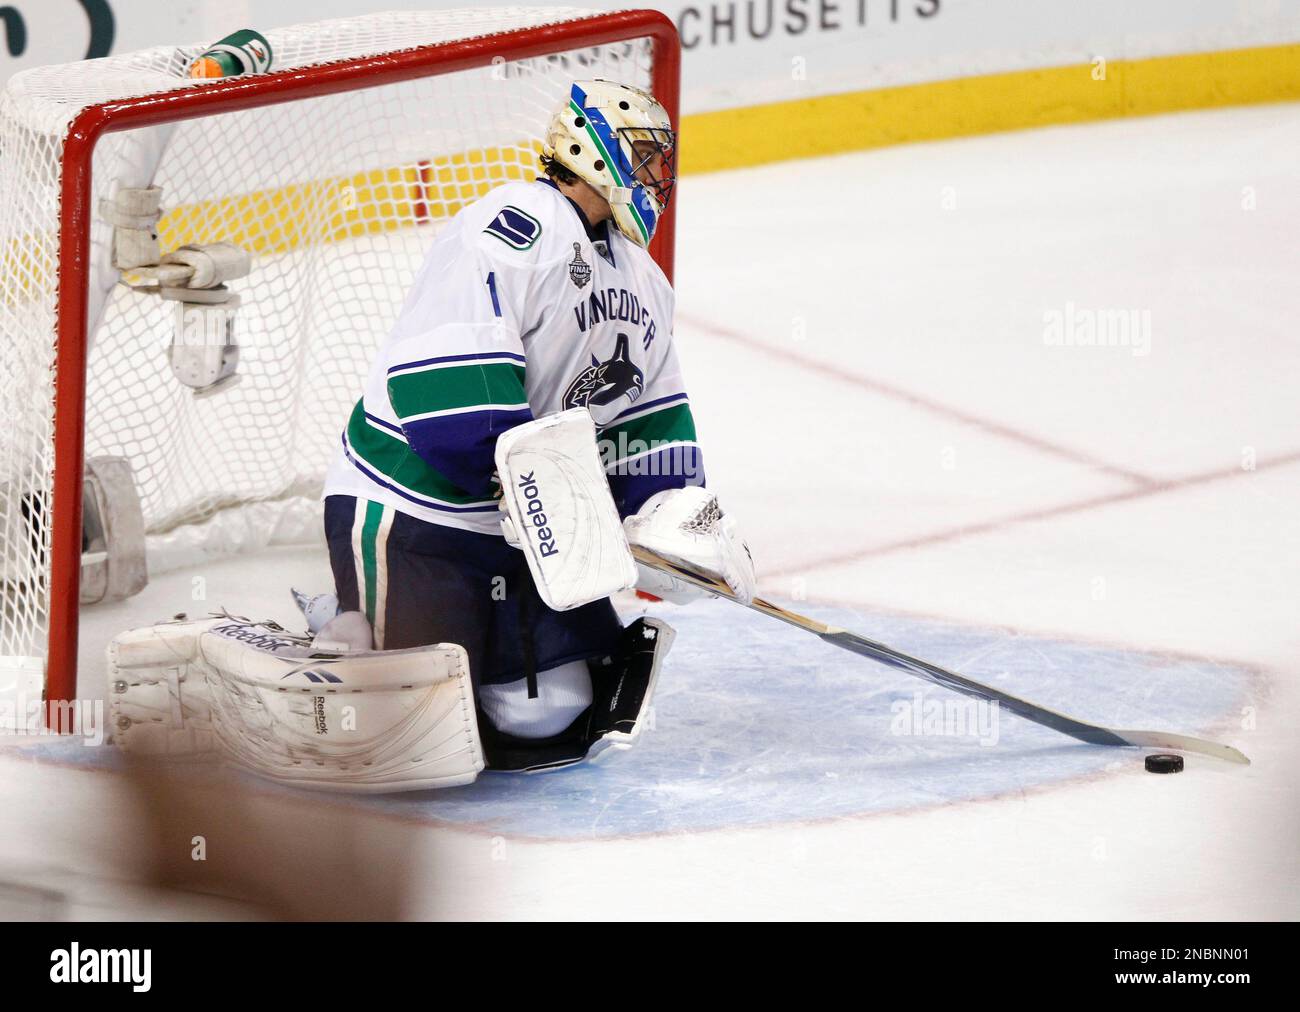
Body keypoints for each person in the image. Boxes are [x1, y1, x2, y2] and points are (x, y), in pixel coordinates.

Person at [318, 79, 755, 771]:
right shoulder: (512, 226)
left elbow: (650, 416)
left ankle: (383, 627)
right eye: (643, 158)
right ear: (592, 148)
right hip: (417, 509)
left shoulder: (643, 281)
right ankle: (340, 625)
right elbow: (448, 387)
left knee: (543, 716)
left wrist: (680, 521)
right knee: (411, 728)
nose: (655, 178)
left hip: (527, 535)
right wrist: (516, 476)